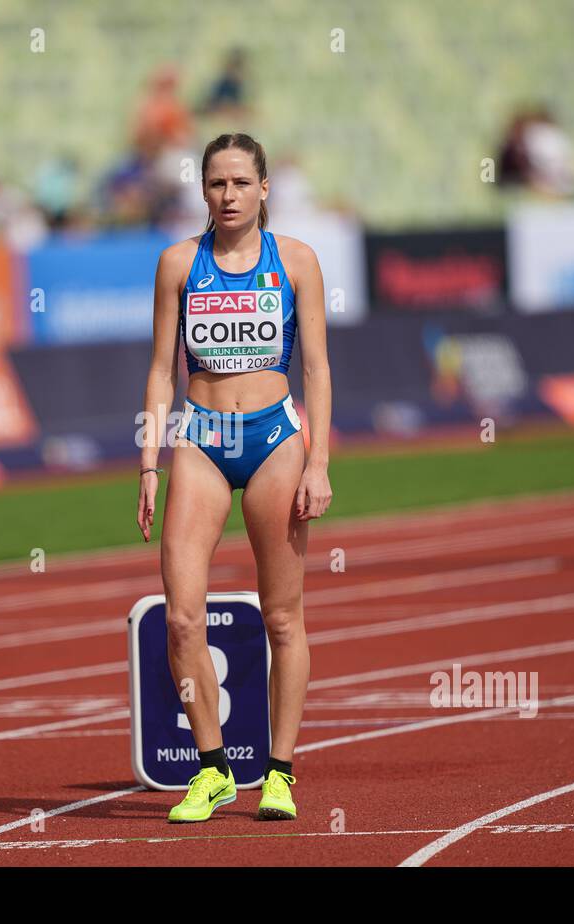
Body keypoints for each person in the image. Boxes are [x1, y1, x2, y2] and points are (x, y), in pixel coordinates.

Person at [137, 132, 333, 823]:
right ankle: (213, 770)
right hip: (201, 438)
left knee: (282, 615)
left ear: (265, 189)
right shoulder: (178, 264)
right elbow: (162, 371)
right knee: (183, 614)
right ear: (202, 191)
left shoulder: (299, 261)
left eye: (240, 183)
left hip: (276, 437)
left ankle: (279, 771)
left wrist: (319, 461)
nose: (228, 196)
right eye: (216, 184)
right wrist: (149, 462)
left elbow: (317, 369)